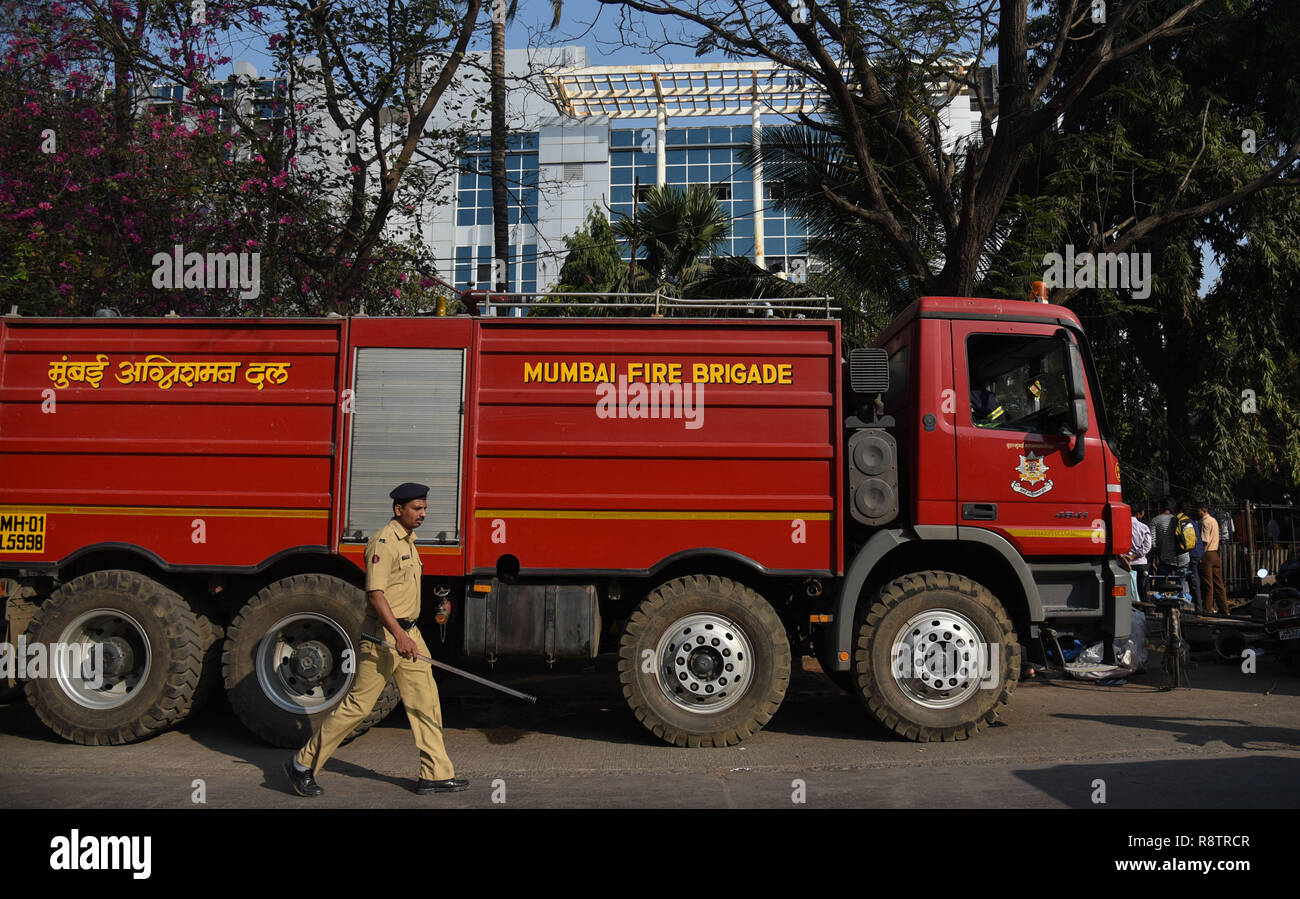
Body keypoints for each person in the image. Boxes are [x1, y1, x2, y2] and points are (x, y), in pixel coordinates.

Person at [285, 482, 468, 797]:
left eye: (425, 507)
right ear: (399, 510)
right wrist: (398, 634)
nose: (424, 513)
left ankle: (435, 774)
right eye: (417, 508)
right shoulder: (384, 542)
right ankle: (302, 764)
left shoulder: (409, 541)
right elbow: (375, 596)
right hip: (384, 636)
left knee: (426, 700)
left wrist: (408, 633)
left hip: (409, 634)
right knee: (358, 706)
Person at [1197, 501, 1230, 615]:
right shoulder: (1214, 520)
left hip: (1207, 554)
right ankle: (1225, 610)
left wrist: (1200, 556)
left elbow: (1205, 541)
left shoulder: (1205, 522)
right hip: (1216, 554)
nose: (1197, 512)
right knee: (1219, 583)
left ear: (1203, 510)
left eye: (1198, 510)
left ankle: (1208, 609)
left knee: (1208, 584)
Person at [1125, 504, 1152, 603]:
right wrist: (1134, 556)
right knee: (1143, 591)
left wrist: (1126, 557)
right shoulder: (1143, 527)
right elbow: (1148, 546)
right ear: (1140, 513)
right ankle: (1146, 614)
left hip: (1125, 564)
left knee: (1128, 592)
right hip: (1141, 564)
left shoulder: (1120, 525)